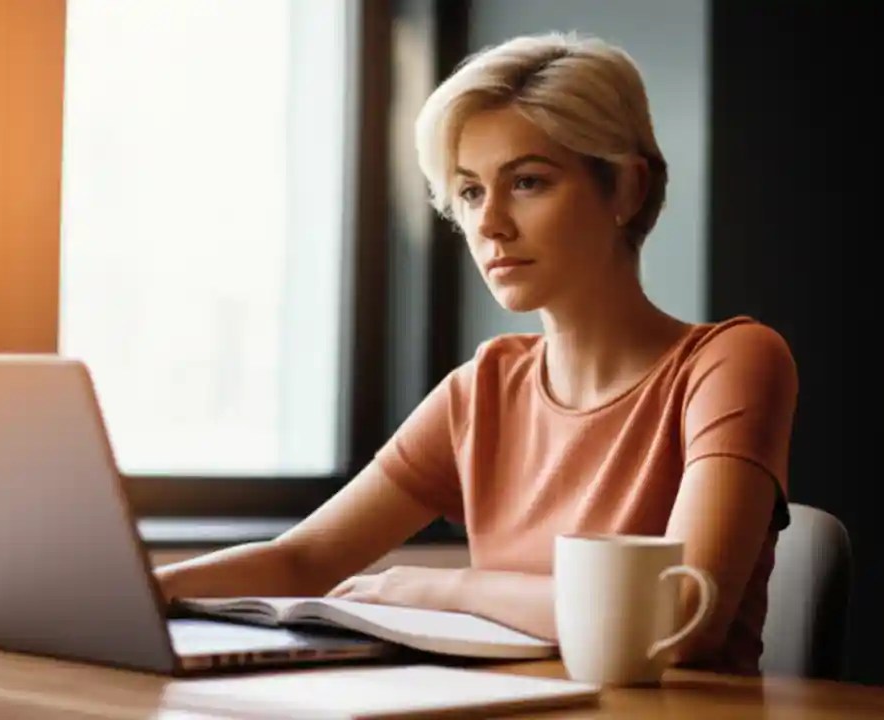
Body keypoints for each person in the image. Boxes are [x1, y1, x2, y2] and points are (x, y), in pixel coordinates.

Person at [154, 30, 797, 676]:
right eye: (469, 192)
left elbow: (678, 619)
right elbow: (303, 561)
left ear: (626, 190)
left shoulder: (730, 363)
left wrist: (443, 587)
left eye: (527, 182)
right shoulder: (484, 389)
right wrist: (144, 593)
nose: (489, 223)